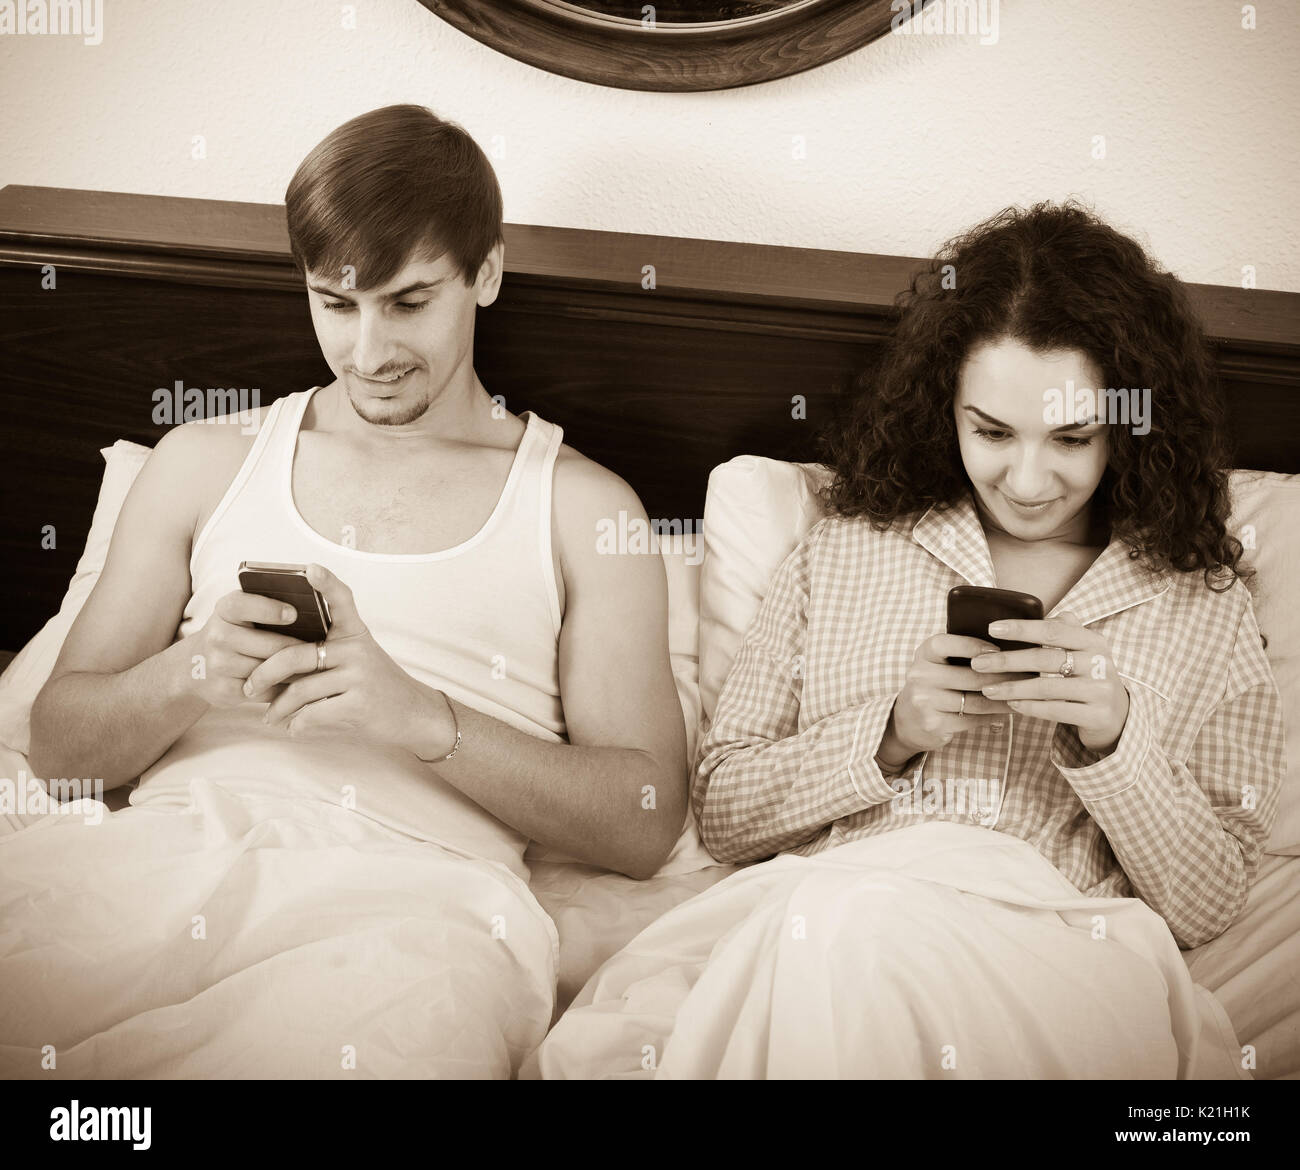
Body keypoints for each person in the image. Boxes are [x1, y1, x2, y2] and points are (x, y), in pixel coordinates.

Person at [529, 201, 1285, 1080]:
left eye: (1074, 438)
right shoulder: (849, 546)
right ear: (945, 407)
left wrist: (1117, 745)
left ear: (1129, 421)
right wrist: (887, 736)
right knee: (851, 928)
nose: (1030, 480)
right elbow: (726, 813)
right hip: (825, 918)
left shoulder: (1201, 602)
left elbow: (1213, 902)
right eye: (992, 432)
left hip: (1055, 947)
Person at [7, 104, 686, 1079]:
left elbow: (645, 819)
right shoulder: (203, 462)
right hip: (165, 866)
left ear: (484, 274)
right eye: (336, 302)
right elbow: (58, 747)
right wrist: (193, 672)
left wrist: (423, 719)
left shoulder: (581, 508)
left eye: (409, 302)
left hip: (412, 917)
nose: (369, 352)